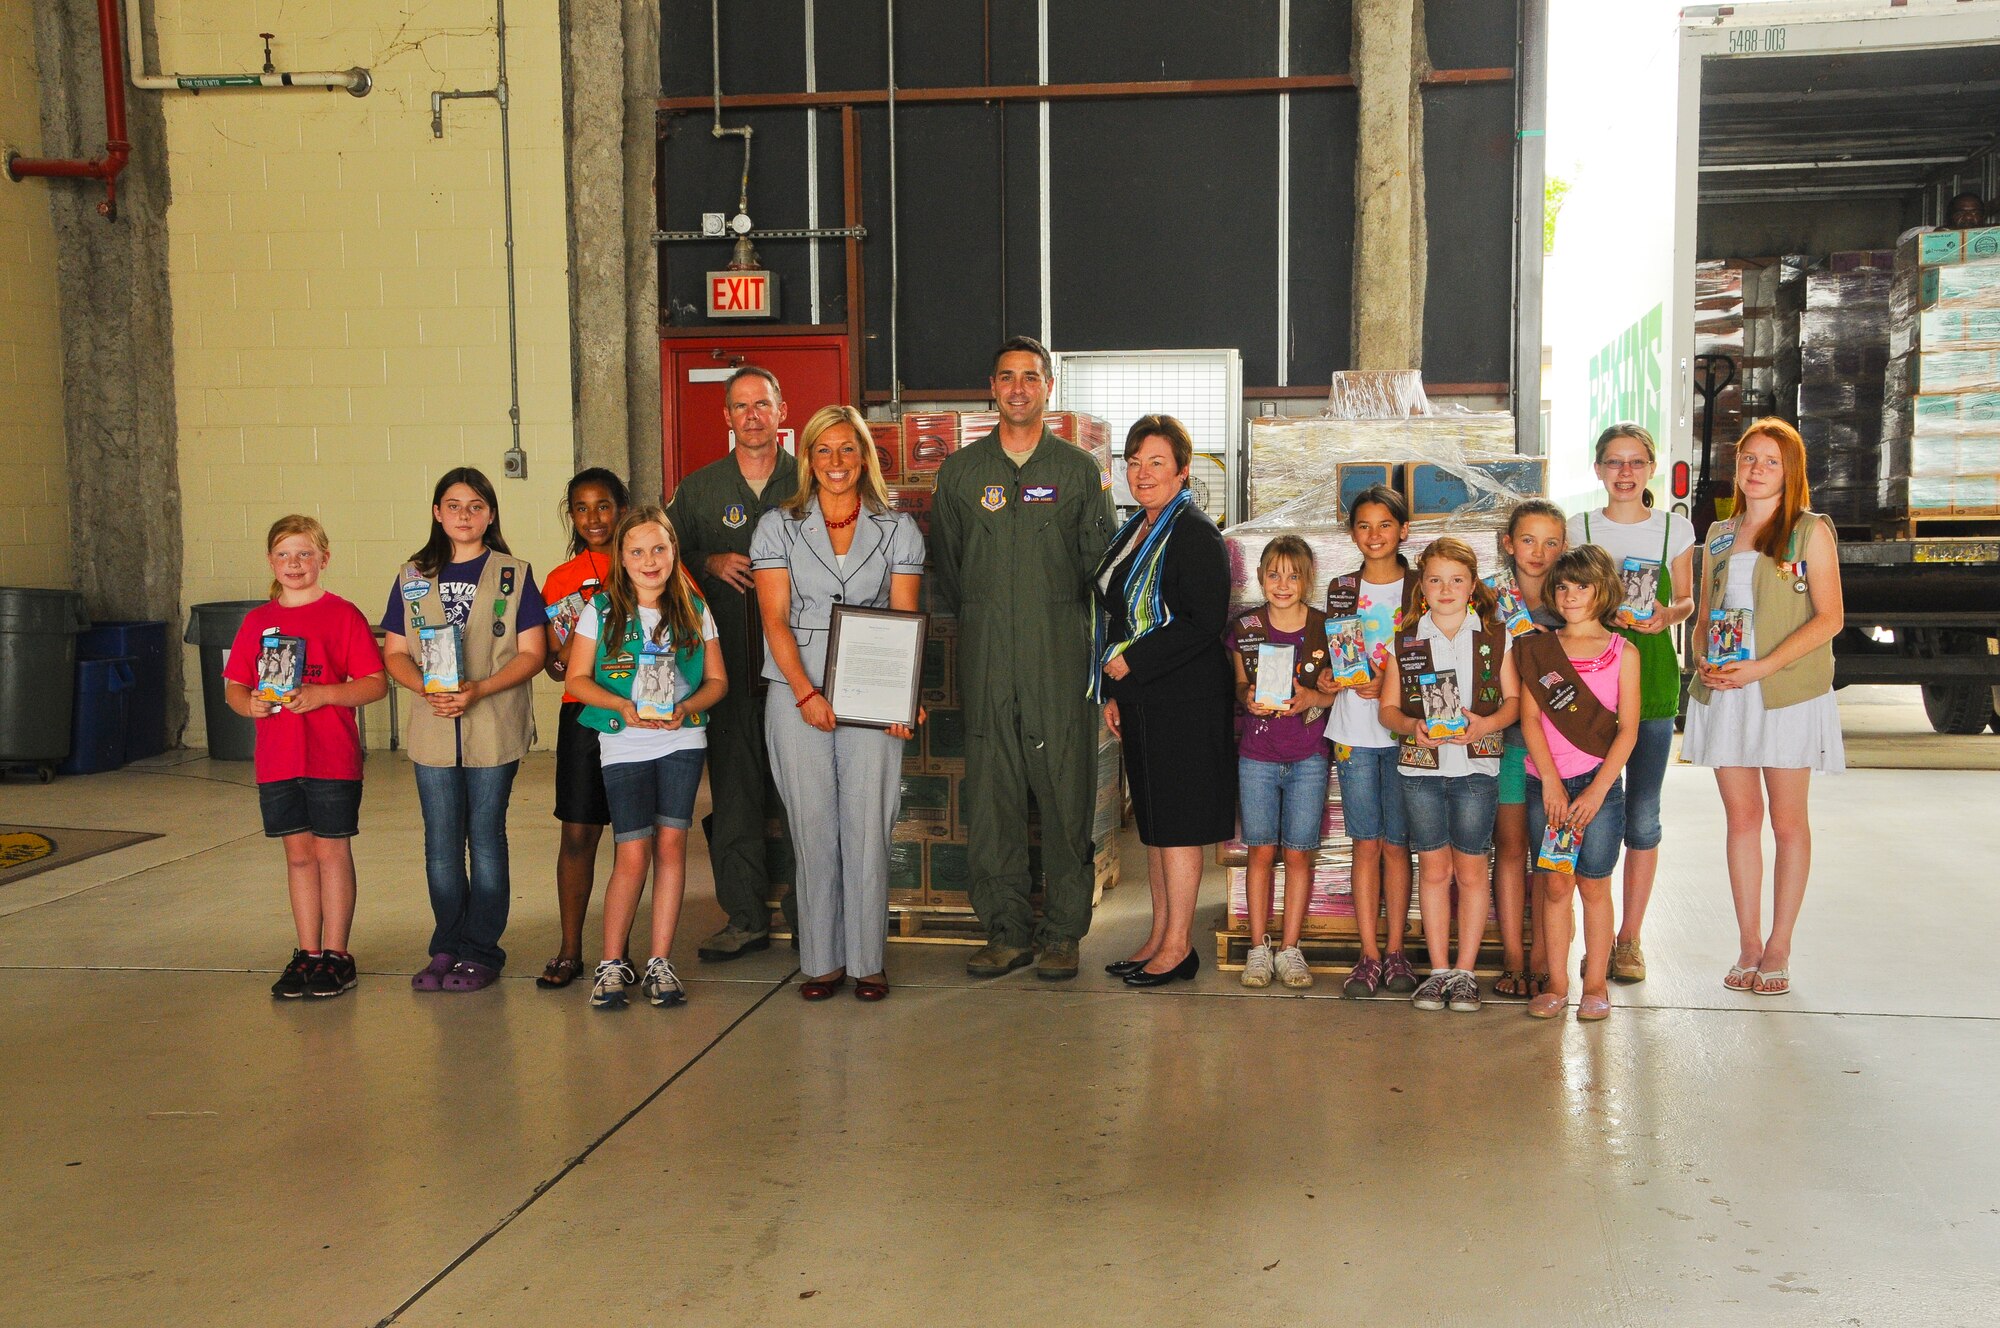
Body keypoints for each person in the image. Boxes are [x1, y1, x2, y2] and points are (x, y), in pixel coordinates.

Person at [932, 336, 1118, 981]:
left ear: (1048, 389)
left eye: (1030, 378)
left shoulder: (1076, 473)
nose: (1018, 388)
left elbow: (1104, 571)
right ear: (992, 387)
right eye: (1006, 377)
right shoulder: (960, 474)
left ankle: (1063, 933)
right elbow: (948, 572)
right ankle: (1006, 931)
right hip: (985, 660)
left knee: (1066, 797)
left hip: (1057, 660)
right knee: (993, 797)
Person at [752, 406, 927, 1002]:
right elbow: (773, 618)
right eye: (823, 451)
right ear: (807, 459)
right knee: (813, 826)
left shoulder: (899, 530)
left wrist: (904, 695)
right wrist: (803, 691)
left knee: (868, 825)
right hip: (793, 686)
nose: (836, 462)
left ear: (864, 457)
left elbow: (902, 619)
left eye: (847, 450)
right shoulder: (777, 526)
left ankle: (867, 961)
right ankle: (822, 961)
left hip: (870, 689)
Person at [1682, 419, 1844, 997]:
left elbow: (1830, 618)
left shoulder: (1808, 531)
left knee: (1787, 821)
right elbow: (1705, 619)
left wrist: (1762, 667)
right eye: (1748, 458)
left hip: (1786, 694)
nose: (1755, 469)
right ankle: (1748, 942)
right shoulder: (1720, 537)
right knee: (1742, 820)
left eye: (1770, 461)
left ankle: (1779, 945)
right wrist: (1703, 660)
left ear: (1790, 472)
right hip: (1729, 694)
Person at [381, 468, 547, 993]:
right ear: (436, 513)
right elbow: (395, 652)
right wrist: (425, 689)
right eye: (453, 506)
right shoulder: (411, 577)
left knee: (487, 837)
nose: (464, 515)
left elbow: (533, 653)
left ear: (491, 514)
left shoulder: (513, 574)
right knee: (441, 844)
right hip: (433, 727)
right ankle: (446, 944)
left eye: (476, 506)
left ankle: (482, 949)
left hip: (492, 725)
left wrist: (480, 688)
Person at [1093, 414, 1236, 988]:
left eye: (1156, 462)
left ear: (1183, 470)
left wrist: (1135, 663)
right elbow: (1120, 615)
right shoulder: (1137, 529)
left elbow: (1204, 621)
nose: (1142, 473)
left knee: (1176, 826)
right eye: (1133, 462)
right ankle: (1158, 935)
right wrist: (1115, 689)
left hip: (1184, 699)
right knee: (1153, 823)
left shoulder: (1195, 533)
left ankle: (1179, 947)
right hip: (1145, 698)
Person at [565, 507, 727, 1010]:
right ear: (621, 558)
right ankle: (612, 963)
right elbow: (575, 680)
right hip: (624, 741)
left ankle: (660, 962)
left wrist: (686, 708)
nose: (649, 559)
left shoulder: (694, 609)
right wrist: (621, 706)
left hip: (680, 740)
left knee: (672, 847)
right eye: (636, 551)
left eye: (659, 548)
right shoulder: (602, 610)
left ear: (674, 551)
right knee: (632, 851)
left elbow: (718, 681)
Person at [667, 366, 801, 963]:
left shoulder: (810, 479)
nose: (752, 415)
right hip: (728, 678)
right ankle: (744, 917)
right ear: (726, 417)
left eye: (762, 404)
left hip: (799, 676)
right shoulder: (698, 491)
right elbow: (659, 561)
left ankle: (811, 916)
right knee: (738, 798)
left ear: (781, 412)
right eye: (741, 406)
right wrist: (707, 558)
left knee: (805, 800)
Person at [223, 516, 388, 999]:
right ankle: (307, 952)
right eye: (284, 554)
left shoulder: (343, 615)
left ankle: (337, 955)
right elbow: (236, 684)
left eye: (304, 554)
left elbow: (374, 683)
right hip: (278, 760)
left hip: (332, 758)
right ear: (271, 561)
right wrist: (247, 703)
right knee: (298, 857)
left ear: (324, 559)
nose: (294, 564)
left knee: (331, 852)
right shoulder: (257, 621)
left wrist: (325, 695)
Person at [1568, 424, 1696, 984]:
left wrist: (1666, 616)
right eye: (1614, 462)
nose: (1625, 472)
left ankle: (1629, 939)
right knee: (1590, 809)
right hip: (1589, 689)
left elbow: (1689, 599)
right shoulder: (1581, 527)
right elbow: (1563, 595)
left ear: (1650, 470)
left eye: (1637, 462)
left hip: (1654, 682)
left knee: (1642, 815)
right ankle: (1589, 929)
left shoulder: (1676, 529)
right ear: (1598, 469)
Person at [1378, 538, 1520, 1013]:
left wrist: (1487, 723)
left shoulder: (1497, 638)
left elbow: (1515, 702)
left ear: (1473, 585)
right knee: (1434, 871)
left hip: (1477, 767)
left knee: (1473, 869)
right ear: (1422, 586)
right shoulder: (1407, 640)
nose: (1446, 588)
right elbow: (1388, 711)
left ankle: (1466, 973)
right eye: (1435, 580)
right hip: (1420, 771)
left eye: (1456, 580)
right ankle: (1438, 972)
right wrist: (1413, 728)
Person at [1516, 546, 1642, 1022]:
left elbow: (1628, 729)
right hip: (1545, 786)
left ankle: (1594, 984)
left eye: (1583, 586)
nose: (1571, 596)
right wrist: (1550, 781)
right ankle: (1557, 982)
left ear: (1603, 590)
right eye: (1563, 586)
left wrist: (1596, 790)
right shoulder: (1537, 650)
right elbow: (1529, 719)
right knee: (1553, 885)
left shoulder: (1622, 653)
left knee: (1593, 886)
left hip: (1599, 788)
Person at [1324, 485, 1423, 999]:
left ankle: (1396, 952)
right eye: (1363, 525)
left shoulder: (1420, 590)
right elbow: (1330, 660)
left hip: (1405, 733)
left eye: (1385, 524)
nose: (1374, 534)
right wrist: (1330, 680)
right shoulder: (1341, 589)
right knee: (1364, 842)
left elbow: (1436, 658)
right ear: (1352, 533)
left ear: (1403, 530)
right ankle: (1366, 955)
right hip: (1353, 734)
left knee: (1396, 844)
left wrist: (1391, 682)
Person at [1226, 536, 1337, 990]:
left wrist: (1312, 695)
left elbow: (1339, 688)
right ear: (1260, 577)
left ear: (1308, 579)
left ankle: (1290, 950)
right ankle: (1258, 949)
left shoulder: (1326, 628)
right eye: (1274, 574)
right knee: (1260, 851)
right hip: (1256, 756)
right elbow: (1237, 685)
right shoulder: (1245, 627)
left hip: (1309, 755)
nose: (1283, 583)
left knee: (1298, 854)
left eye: (1293, 575)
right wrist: (1247, 696)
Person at [536, 468, 630, 989]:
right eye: (581, 507)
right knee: (578, 831)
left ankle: (620, 951)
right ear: (571, 514)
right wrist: (576, 636)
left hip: (642, 712)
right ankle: (570, 948)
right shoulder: (561, 578)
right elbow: (555, 663)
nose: (593, 518)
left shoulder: (652, 557)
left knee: (634, 836)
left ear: (621, 507)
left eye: (603, 505)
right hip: (584, 713)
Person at [1486, 499, 1567, 999]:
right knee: (1511, 850)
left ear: (1565, 547)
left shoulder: (1575, 598)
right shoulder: (1490, 599)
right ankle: (1515, 955)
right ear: (1508, 543)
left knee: (1551, 857)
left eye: (1551, 541)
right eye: (1528, 540)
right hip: (1510, 748)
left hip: (1562, 752)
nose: (1538, 552)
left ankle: (1545, 956)